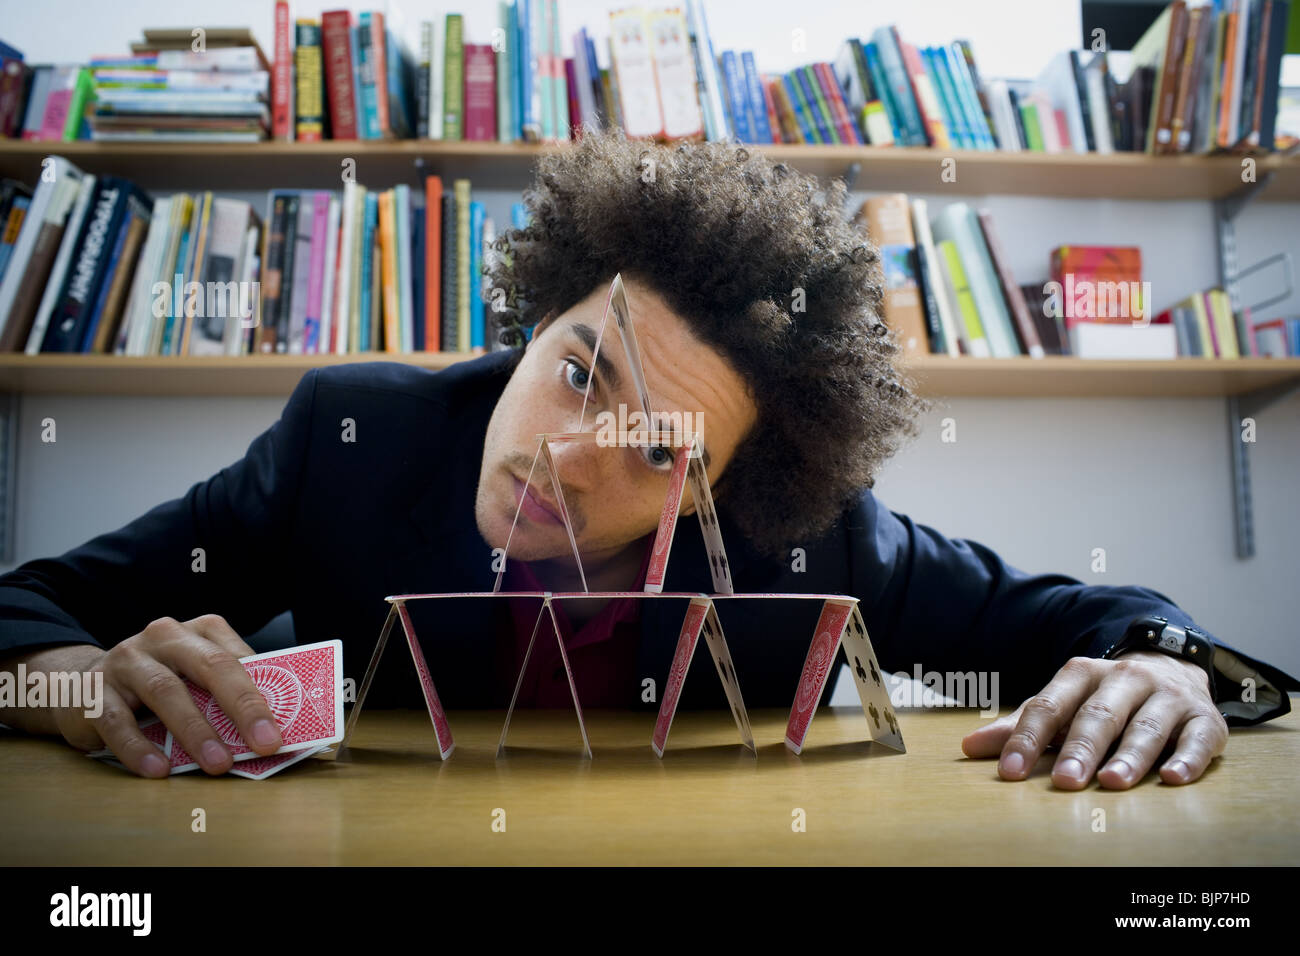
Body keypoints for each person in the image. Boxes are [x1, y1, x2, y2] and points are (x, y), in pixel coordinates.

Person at [0, 131, 1294, 787]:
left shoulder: (815, 546)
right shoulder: (348, 443)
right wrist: (64, 679)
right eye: (575, 371)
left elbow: (1079, 620)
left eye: (656, 449)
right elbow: (28, 608)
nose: (564, 456)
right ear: (535, 320)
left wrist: (1164, 672)